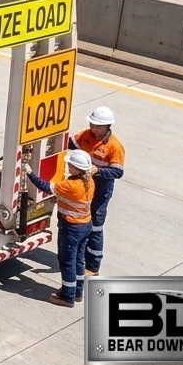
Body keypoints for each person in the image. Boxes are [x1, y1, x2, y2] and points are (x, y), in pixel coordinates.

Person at [28, 149, 95, 307]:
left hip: (72, 228)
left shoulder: (71, 186)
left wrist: (29, 173)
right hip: (85, 225)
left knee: (67, 262)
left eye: (70, 165)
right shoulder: (89, 182)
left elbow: (44, 186)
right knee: (79, 260)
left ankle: (67, 296)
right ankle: (78, 292)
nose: (68, 167)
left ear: (77, 169)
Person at [71, 106, 125, 277]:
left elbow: (118, 172)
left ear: (108, 126)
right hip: (84, 186)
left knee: (95, 226)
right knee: (81, 222)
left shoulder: (114, 146)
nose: (93, 128)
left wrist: (98, 170)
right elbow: (71, 144)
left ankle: (93, 267)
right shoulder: (85, 135)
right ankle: (80, 257)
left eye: (97, 126)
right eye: (92, 124)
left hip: (101, 189)